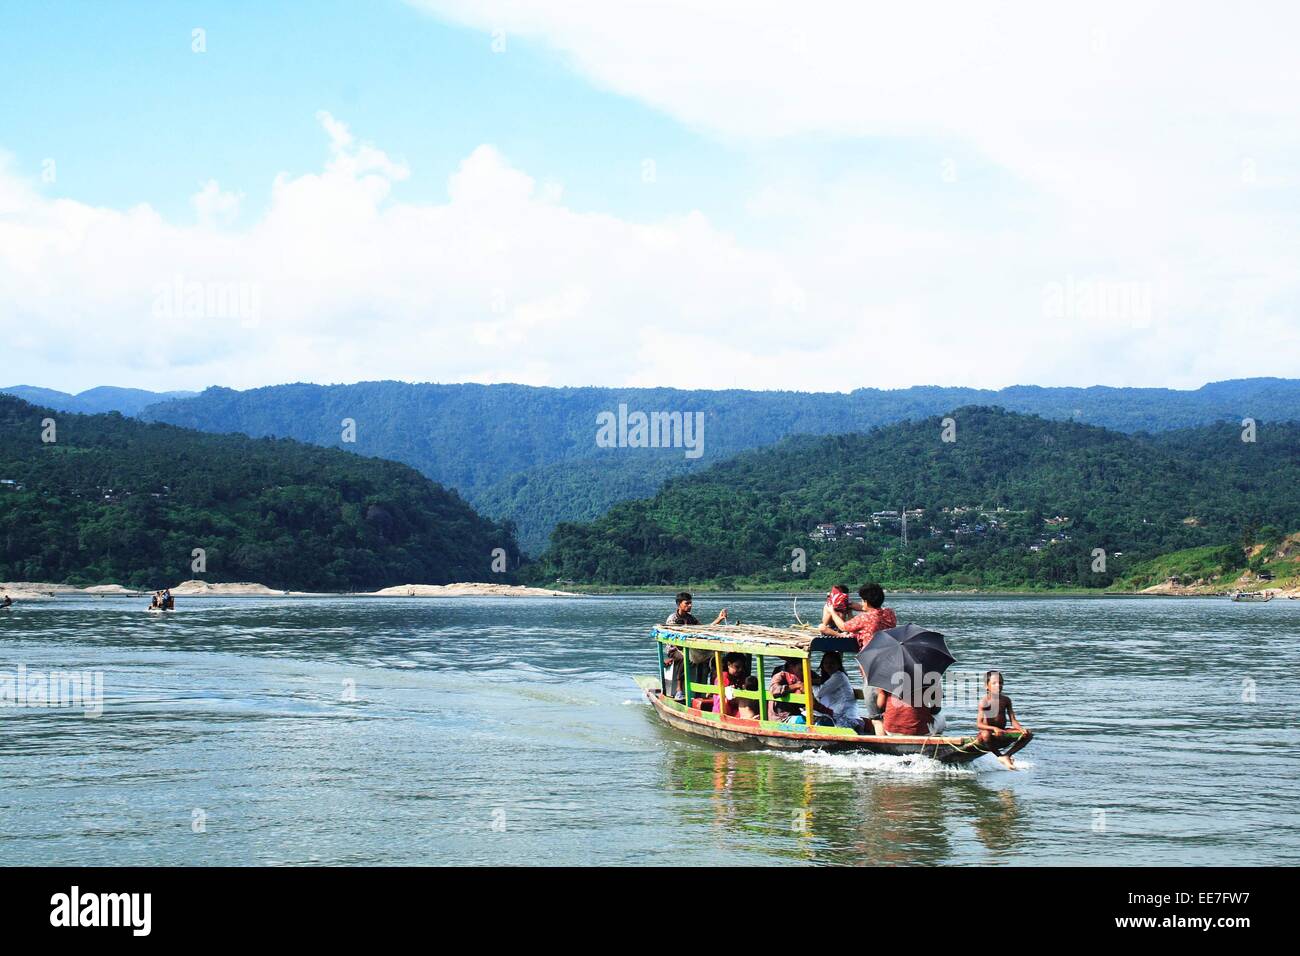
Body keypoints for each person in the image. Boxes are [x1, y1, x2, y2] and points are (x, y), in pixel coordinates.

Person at [977, 670, 1034, 770]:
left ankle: (1007, 755)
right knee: (985, 734)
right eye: (994, 683)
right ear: (987, 686)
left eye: (1000, 683)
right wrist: (994, 728)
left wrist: (1021, 729)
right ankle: (999, 755)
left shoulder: (1006, 700)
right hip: (989, 733)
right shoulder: (984, 701)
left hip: (1003, 731)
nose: (998, 685)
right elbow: (979, 724)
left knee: (1029, 734)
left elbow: (1013, 720)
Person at [812, 651, 865, 732]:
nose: (828, 665)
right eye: (826, 663)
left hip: (847, 717)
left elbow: (819, 693)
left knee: (821, 722)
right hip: (838, 715)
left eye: (832, 663)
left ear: (838, 665)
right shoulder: (831, 678)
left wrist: (807, 685)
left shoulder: (839, 676)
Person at [769, 658, 809, 723]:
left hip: (798, 712)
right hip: (781, 717)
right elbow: (774, 690)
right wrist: (796, 685)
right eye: (801, 670)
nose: (803, 673)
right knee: (803, 721)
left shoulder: (805, 674)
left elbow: (820, 681)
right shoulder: (780, 675)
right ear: (791, 667)